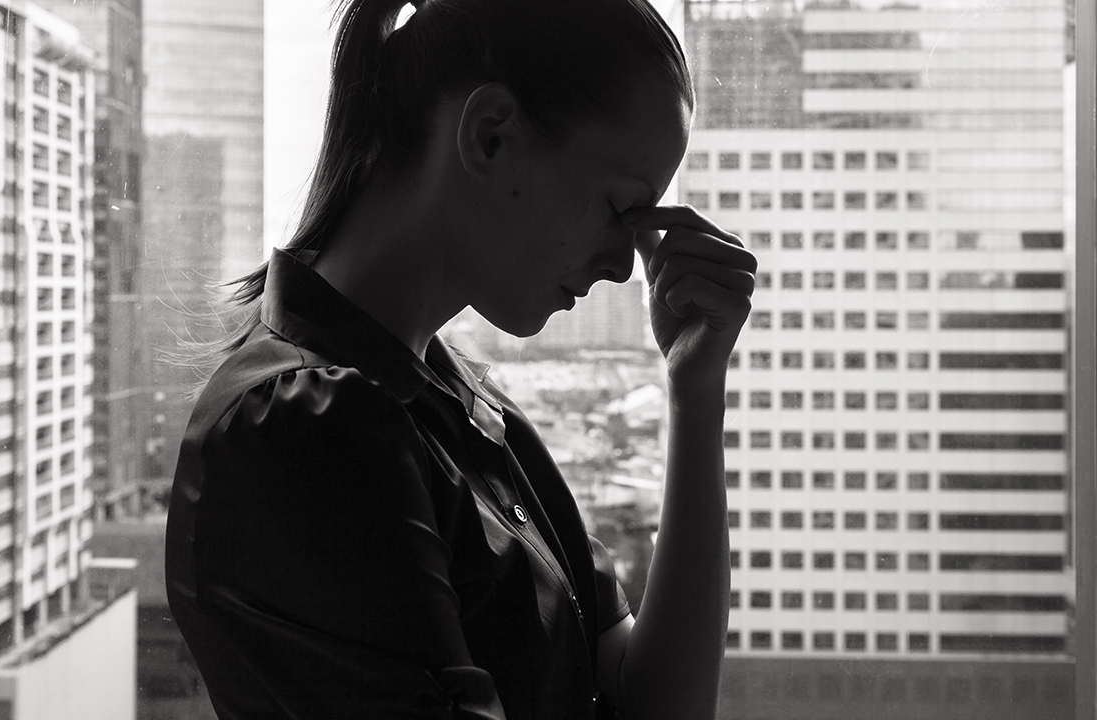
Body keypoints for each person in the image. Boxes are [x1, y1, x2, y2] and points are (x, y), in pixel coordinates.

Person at [164, 0, 756, 718]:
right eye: (618, 209)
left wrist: (697, 394)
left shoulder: (460, 405)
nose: (624, 265)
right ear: (489, 135)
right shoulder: (302, 433)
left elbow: (649, 704)